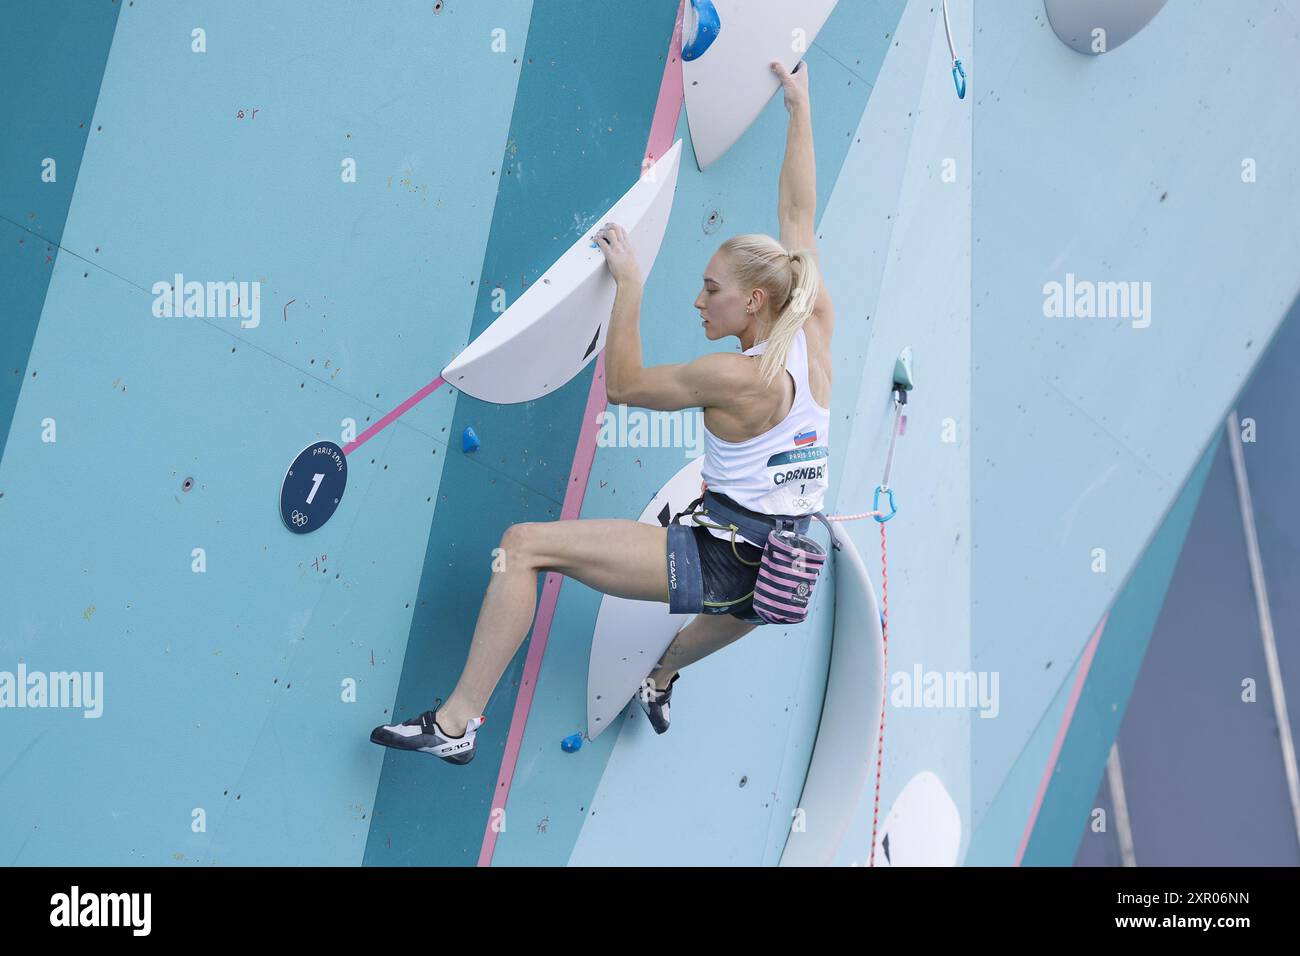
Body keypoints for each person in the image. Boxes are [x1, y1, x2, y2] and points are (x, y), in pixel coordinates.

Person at [371, 60, 834, 764]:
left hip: (725, 560)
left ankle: (456, 725)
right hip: (784, 564)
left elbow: (623, 384)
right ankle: (662, 675)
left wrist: (629, 284)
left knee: (524, 546)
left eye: (711, 290)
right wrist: (798, 106)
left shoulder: (735, 378)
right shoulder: (814, 325)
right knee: (738, 609)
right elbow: (798, 213)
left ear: (755, 302)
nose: (700, 301)